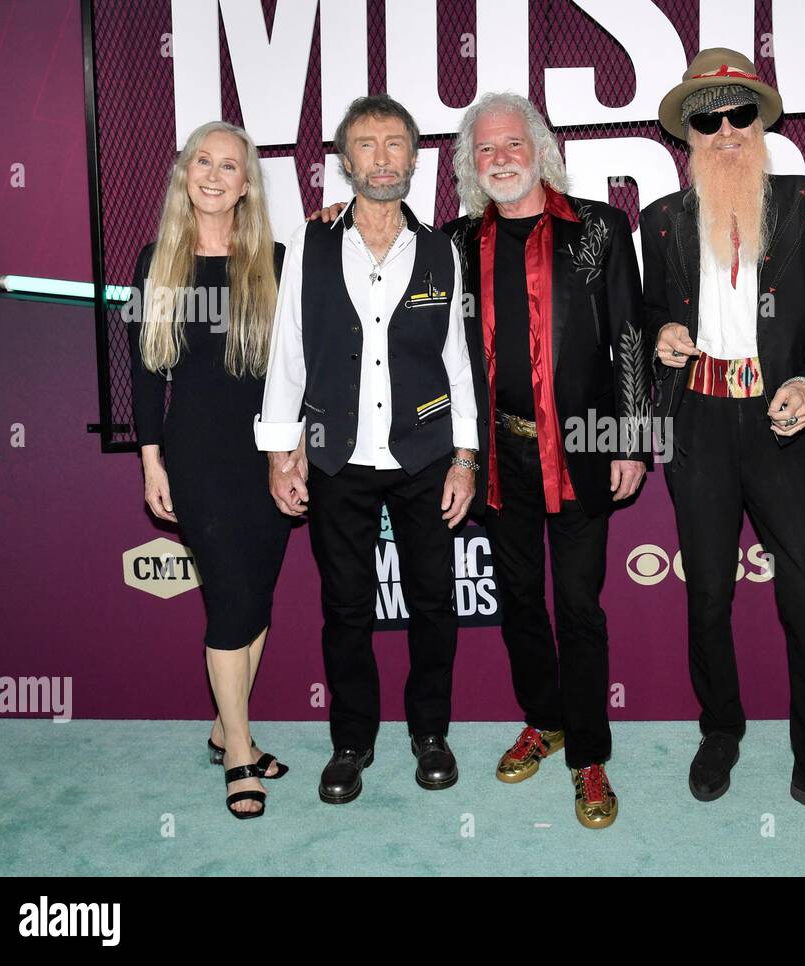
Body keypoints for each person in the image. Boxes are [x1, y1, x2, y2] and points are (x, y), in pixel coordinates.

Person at [641, 48, 805, 841]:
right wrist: (666, 335)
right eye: (707, 119)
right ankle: (721, 729)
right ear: (689, 136)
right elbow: (649, 321)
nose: (726, 130)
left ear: (762, 122)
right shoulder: (663, 221)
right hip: (700, 425)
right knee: (707, 593)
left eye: (740, 114)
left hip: (781, 424)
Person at [255, 94, 481, 805]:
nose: (382, 157)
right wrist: (278, 449)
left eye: (394, 144)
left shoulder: (444, 249)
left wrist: (466, 457)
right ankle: (351, 743)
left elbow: (457, 361)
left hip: (423, 453)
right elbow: (289, 351)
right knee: (346, 608)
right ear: (345, 162)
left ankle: (430, 734)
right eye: (366, 145)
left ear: (416, 159)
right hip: (334, 458)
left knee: (433, 604)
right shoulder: (312, 242)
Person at [445, 92, 649, 829]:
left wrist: (632, 439)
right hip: (500, 453)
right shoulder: (458, 240)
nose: (500, 159)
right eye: (485, 150)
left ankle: (588, 754)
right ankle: (546, 716)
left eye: (511, 144)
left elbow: (629, 334)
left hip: (586, 449)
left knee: (579, 607)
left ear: (540, 148)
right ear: (472, 164)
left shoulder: (597, 227)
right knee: (521, 601)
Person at [128, 120, 292, 819]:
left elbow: (299, 367)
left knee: (255, 600)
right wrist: (150, 460)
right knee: (230, 603)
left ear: (247, 182)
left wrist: (297, 450)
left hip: (270, 453)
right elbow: (142, 375)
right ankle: (240, 752)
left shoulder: (278, 259)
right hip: (195, 454)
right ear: (184, 174)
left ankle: (226, 726)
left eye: (232, 164)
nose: (217, 174)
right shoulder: (155, 262)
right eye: (205, 161)